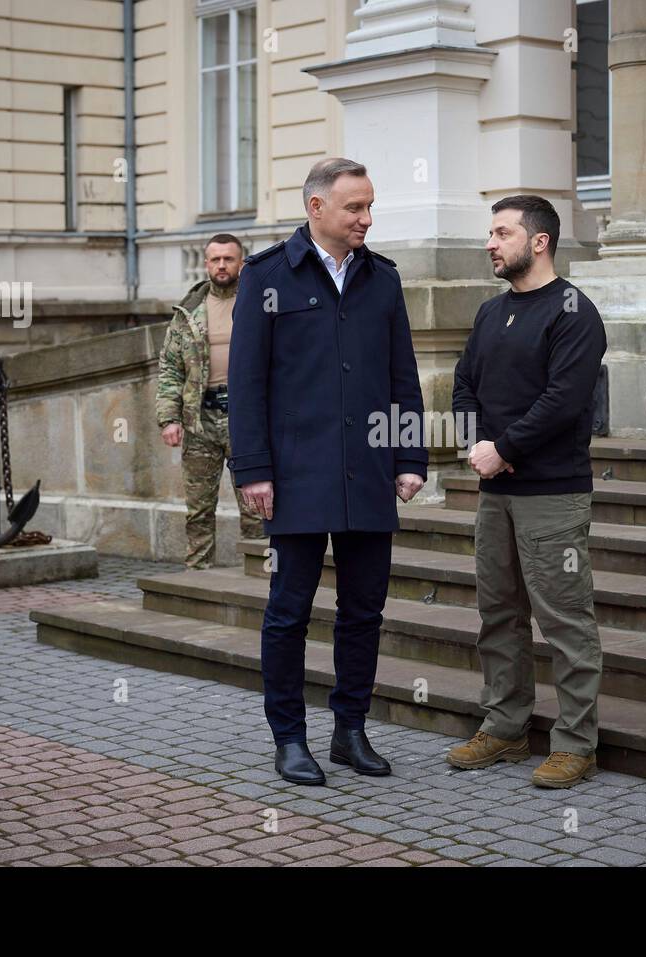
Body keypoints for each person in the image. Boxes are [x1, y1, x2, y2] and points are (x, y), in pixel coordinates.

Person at [228, 158, 428, 785]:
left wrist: (410, 457)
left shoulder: (382, 279)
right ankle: (290, 738)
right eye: (355, 208)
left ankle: (350, 731)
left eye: (370, 207)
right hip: (295, 477)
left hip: (368, 472)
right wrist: (254, 470)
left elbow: (403, 376)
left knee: (363, 611)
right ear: (317, 207)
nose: (367, 218)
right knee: (289, 611)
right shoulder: (266, 277)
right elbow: (245, 383)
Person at [445, 195, 608, 789]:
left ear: (538, 241)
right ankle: (506, 728)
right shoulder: (492, 313)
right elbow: (464, 384)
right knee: (498, 613)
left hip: (552, 493)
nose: (490, 243)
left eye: (501, 232)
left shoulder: (574, 312)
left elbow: (564, 403)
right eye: (490, 232)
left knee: (564, 618)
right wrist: (476, 442)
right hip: (497, 491)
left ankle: (576, 743)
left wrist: (504, 448)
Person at [156, 233, 266, 568]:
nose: (221, 265)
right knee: (199, 510)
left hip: (247, 421)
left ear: (241, 263)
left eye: (228, 259)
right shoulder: (188, 312)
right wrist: (169, 418)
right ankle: (198, 578)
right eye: (215, 259)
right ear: (206, 264)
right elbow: (170, 368)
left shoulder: (259, 304)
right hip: (199, 420)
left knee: (256, 506)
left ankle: (261, 579)